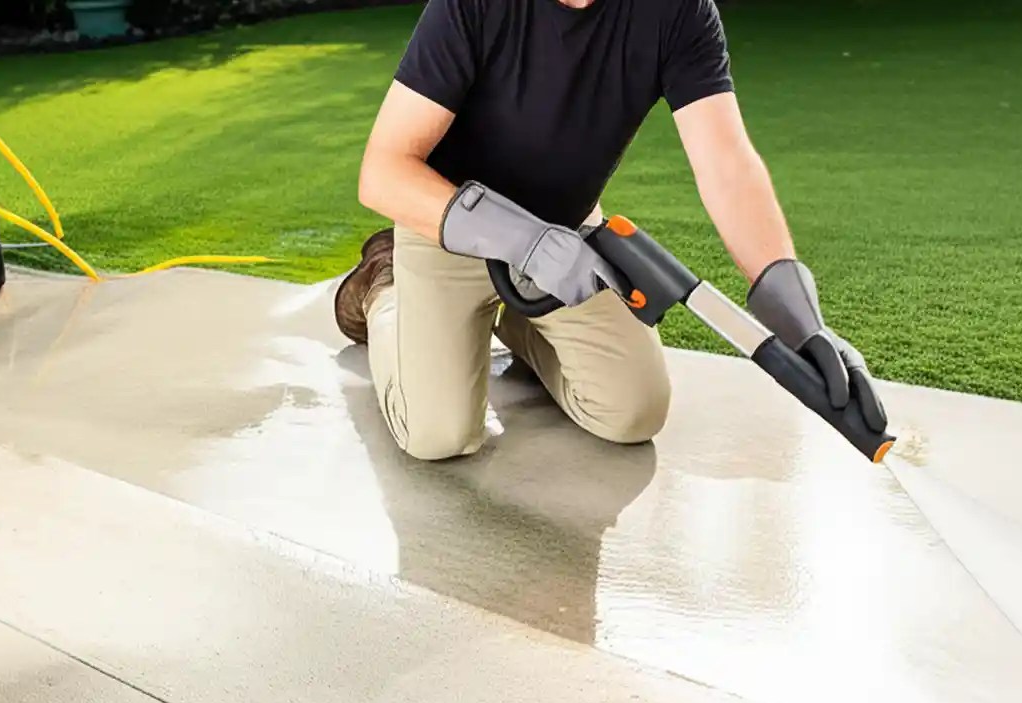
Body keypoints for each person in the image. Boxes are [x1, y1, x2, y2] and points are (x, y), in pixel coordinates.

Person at [335, 0, 888, 461]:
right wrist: (520, 242)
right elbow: (383, 171)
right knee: (438, 435)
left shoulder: (679, 12)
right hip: (446, 229)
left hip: (569, 243)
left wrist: (797, 314)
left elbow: (727, 166)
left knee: (632, 411)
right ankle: (384, 291)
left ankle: (514, 320)